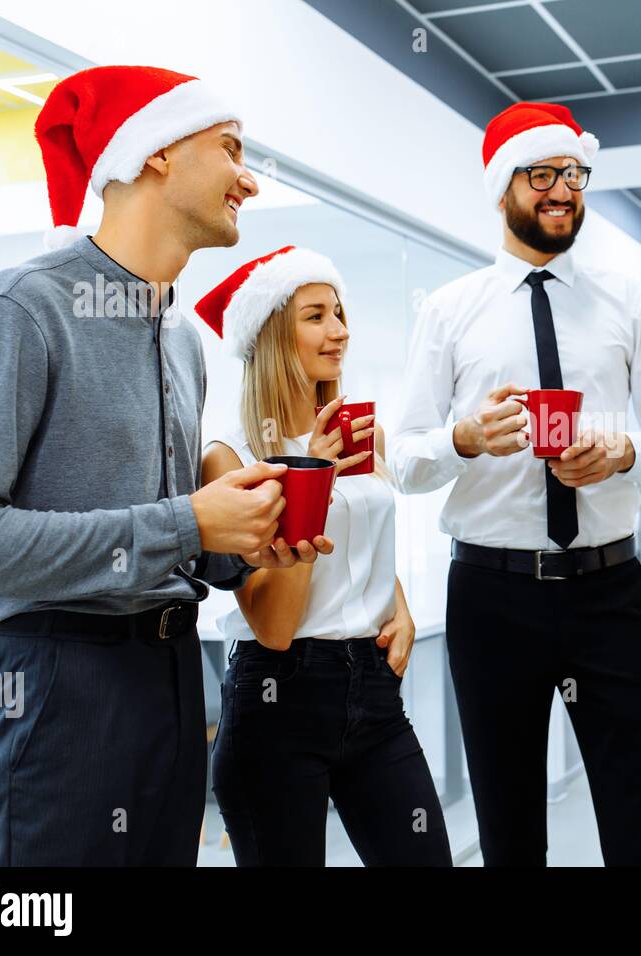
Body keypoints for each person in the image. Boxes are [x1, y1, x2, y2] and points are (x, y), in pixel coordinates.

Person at [0, 66, 331, 866]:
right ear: (155, 155)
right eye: (230, 148)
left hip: (171, 682)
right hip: (55, 691)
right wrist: (188, 520)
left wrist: (245, 536)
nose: (249, 177)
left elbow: (171, 533)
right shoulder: (18, 309)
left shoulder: (182, 340)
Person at [388, 101, 641, 866]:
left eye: (574, 174)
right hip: (494, 599)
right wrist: (461, 440)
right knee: (509, 821)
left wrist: (622, 455)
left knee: (635, 814)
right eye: (543, 174)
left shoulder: (627, 302)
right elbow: (403, 459)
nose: (563, 189)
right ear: (503, 189)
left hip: (609, 588)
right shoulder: (451, 312)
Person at [195, 245, 452, 866]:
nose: (339, 331)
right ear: (272, 335)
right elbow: (274, 626)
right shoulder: (230, 458)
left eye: (339, 313)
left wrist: (399, 603)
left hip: (372, 694)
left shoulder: (365, 436)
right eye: (315, 316)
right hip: (278, 697)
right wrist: (314, 477)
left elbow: (364, 541)